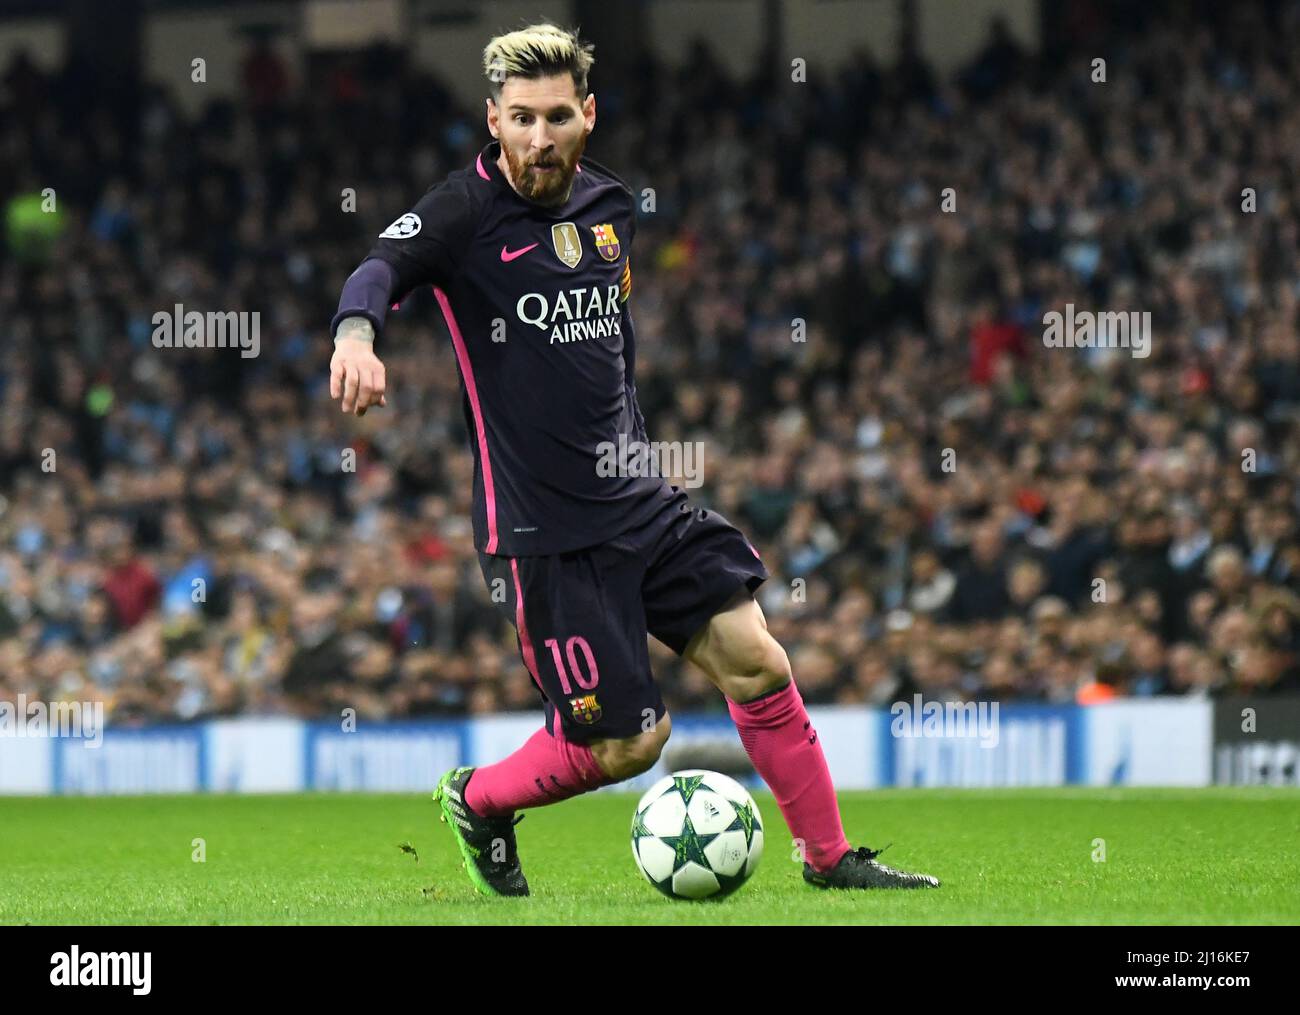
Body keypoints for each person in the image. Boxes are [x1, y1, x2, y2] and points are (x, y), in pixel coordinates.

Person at [327, 22, 938, 896]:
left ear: (590, 115)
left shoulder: (610, 208)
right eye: (523, 118)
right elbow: (376, 269)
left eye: (559, 116)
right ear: (492, 120)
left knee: (760, 662)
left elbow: (611, 349)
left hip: (642, 501)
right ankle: (482, 799)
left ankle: (830, 859)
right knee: (626, 744)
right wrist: (357, 338)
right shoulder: (463, 213)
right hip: (549, 526)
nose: (542, 137)